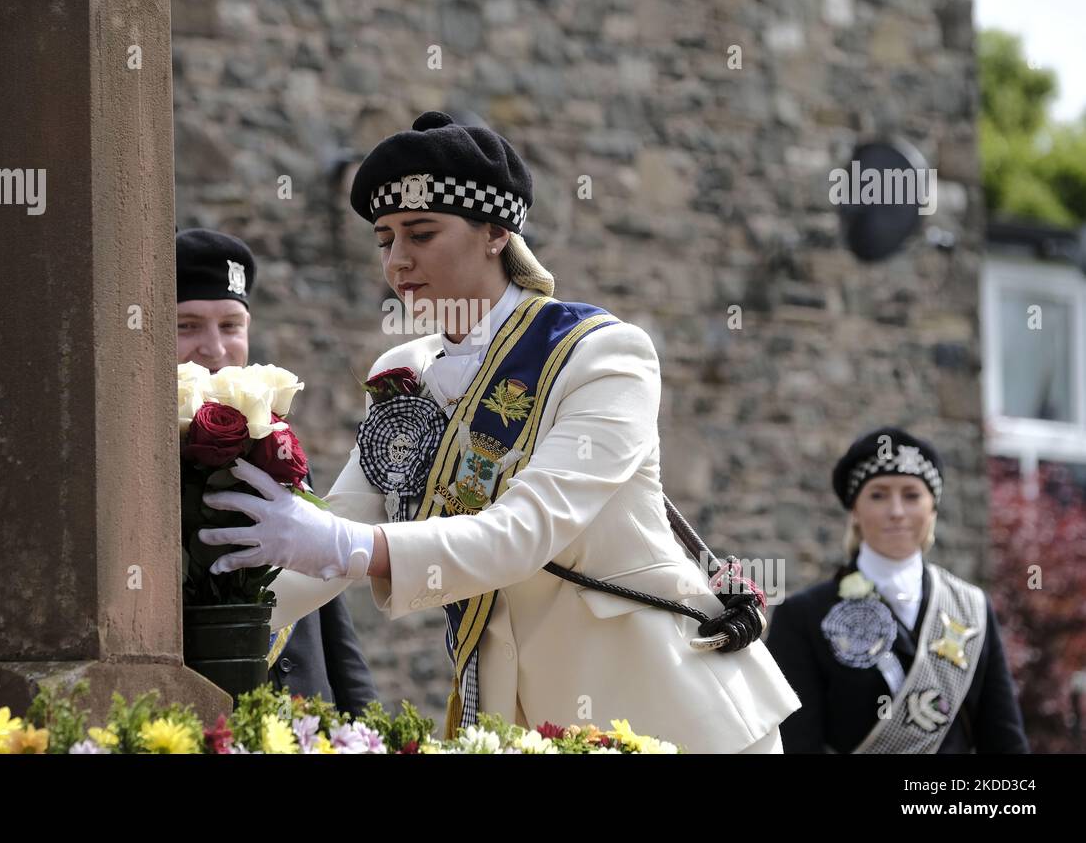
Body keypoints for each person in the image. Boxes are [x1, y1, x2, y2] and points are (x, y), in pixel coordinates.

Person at [198, 112, 800, 751]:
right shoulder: (403, 373)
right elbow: (334, 530)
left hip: (670, 709)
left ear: (495, 232)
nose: (398, 262)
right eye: (384, 239)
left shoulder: (603, 355)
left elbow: (528, 529)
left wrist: (349, 546)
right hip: (517, 719)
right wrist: (203, 636)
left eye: (422, 233)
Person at [176, 228, 378, 715]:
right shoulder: (136, 457)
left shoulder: (266, 436)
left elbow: (325, 594)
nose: (214, 348)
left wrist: (364, 716)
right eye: (187, 325)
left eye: (230, 326)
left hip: (310, 719)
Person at [765, 427, 1030, 753]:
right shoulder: (803, 616)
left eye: (911, 495)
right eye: (878, 494)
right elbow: (795, 745)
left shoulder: (972, 607)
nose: (896, 511)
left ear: (932, 509)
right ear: (855, 512)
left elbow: (1004, 740)